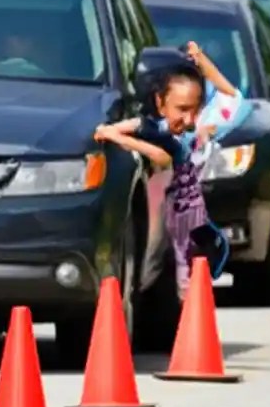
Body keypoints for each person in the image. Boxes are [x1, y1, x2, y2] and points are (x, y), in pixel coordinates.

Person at [93, 42, 247, 298]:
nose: (188, 119)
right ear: (160, 104)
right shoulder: (162, 130)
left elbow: (231, 96)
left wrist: (201, 60)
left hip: (193, 213)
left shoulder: (202, 128)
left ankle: (194, 320)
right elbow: (139, 128)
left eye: (195, 110)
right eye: (182, 110)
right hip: (176, 216)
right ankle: (190, 323)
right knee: (183, 275)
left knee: (196, 267)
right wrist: (111, 132)